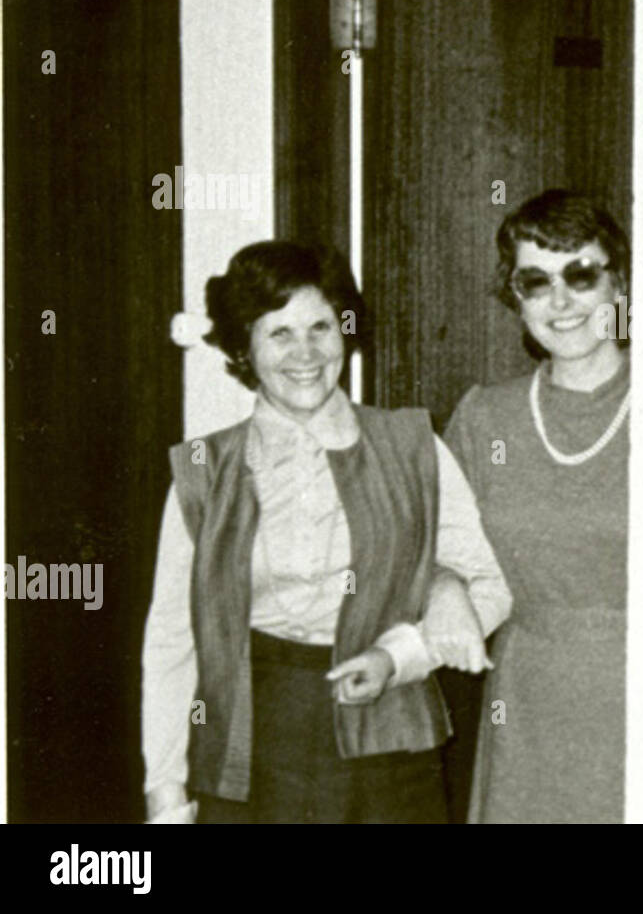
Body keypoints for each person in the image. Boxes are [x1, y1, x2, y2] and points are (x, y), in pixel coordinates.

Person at [141, 241, 510, 824]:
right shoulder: (201, 471)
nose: (306, 352)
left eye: (320, 327)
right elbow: (170, 642)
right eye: (279, 333)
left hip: (390, 748)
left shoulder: (413, 446)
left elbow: (489, 586)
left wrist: (402, 652)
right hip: (251, 747)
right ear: (244, 348)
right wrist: (166, 792)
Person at [444, 190, 629, 823]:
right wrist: (444, 586)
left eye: (582, 275)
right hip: (527, 705)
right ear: (515, 297)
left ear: (619, 283)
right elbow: (443, 545)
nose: (561, 301)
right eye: (536, 281)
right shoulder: (485, 416)